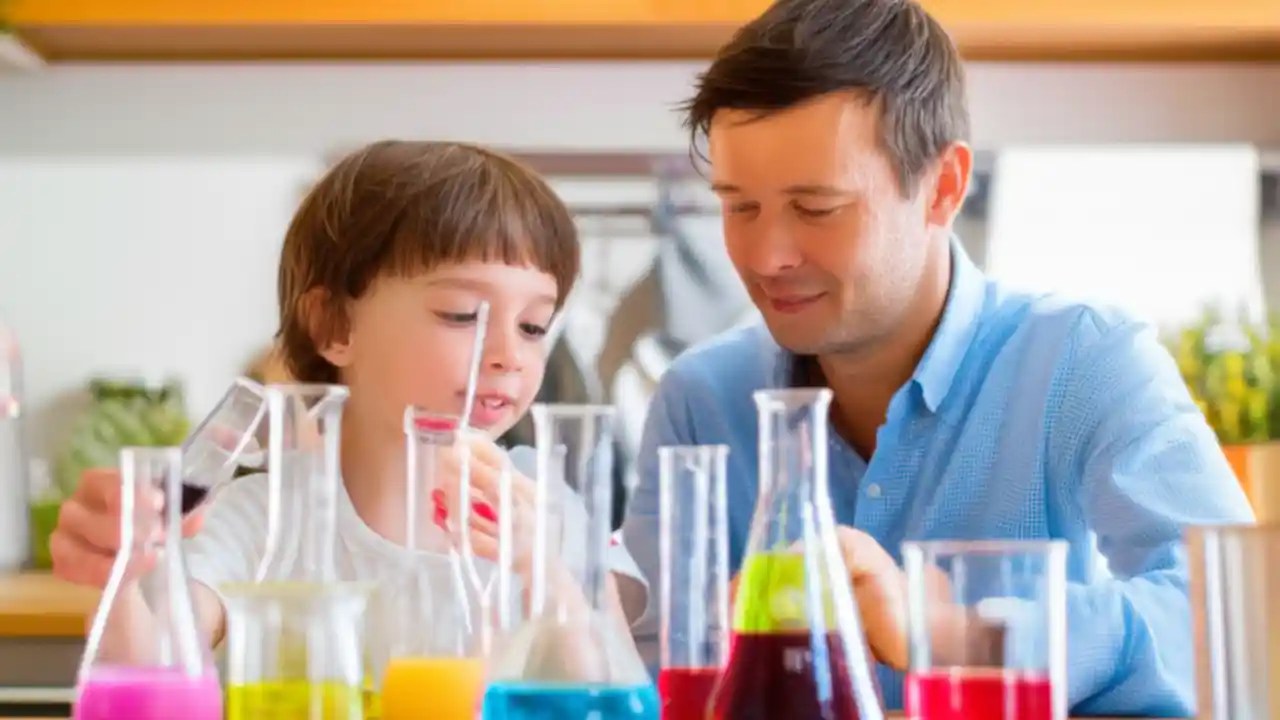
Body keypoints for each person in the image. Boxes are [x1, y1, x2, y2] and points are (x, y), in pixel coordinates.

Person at [620, 0, 1255, 716]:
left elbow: (1228, 616)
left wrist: (959, 636)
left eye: (817, 208)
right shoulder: (698, 400)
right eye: (739, 207)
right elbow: (640, 677)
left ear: (943, 187)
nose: (766, 257)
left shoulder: (1084, 359)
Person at [50, 140, 648, 667]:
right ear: (335, 324)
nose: (508, 356)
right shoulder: (261, 520)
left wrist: (544, 574)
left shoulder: (550, 512)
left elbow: (618, 694)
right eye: (463, 315)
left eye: (534, 327)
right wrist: (122, 580)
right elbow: (153, 667)